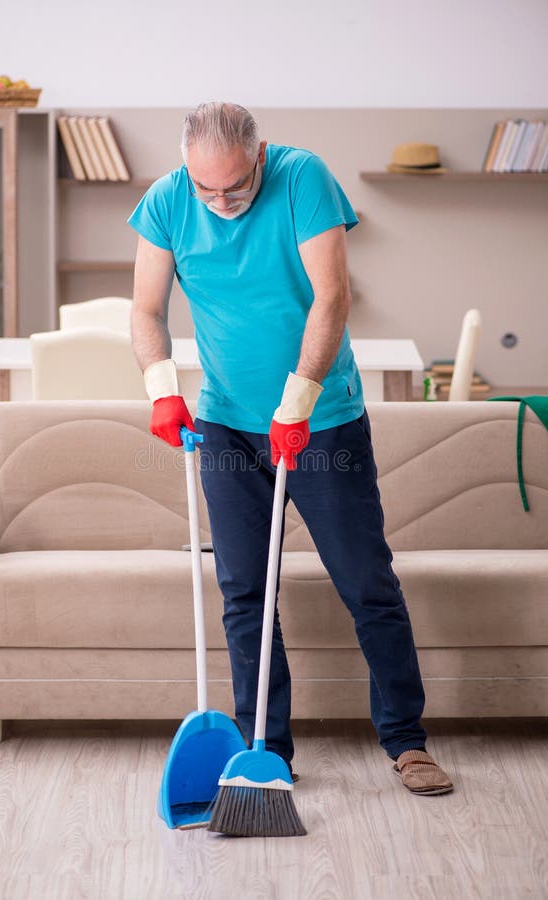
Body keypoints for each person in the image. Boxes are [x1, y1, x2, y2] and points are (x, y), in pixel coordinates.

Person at [128, 101, 453, 796]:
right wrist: (161, 386)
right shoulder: (165, 200)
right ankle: (263, 749)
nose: (219, 202)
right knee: (245, 592)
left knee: (365, 584)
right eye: (204, 189)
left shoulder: (303, 178)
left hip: (320, 419)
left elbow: (331, 298)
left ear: (261, 155)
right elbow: (145, 308)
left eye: (235, 187)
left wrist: (299, 399)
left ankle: (405, 741)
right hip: (225, 425)